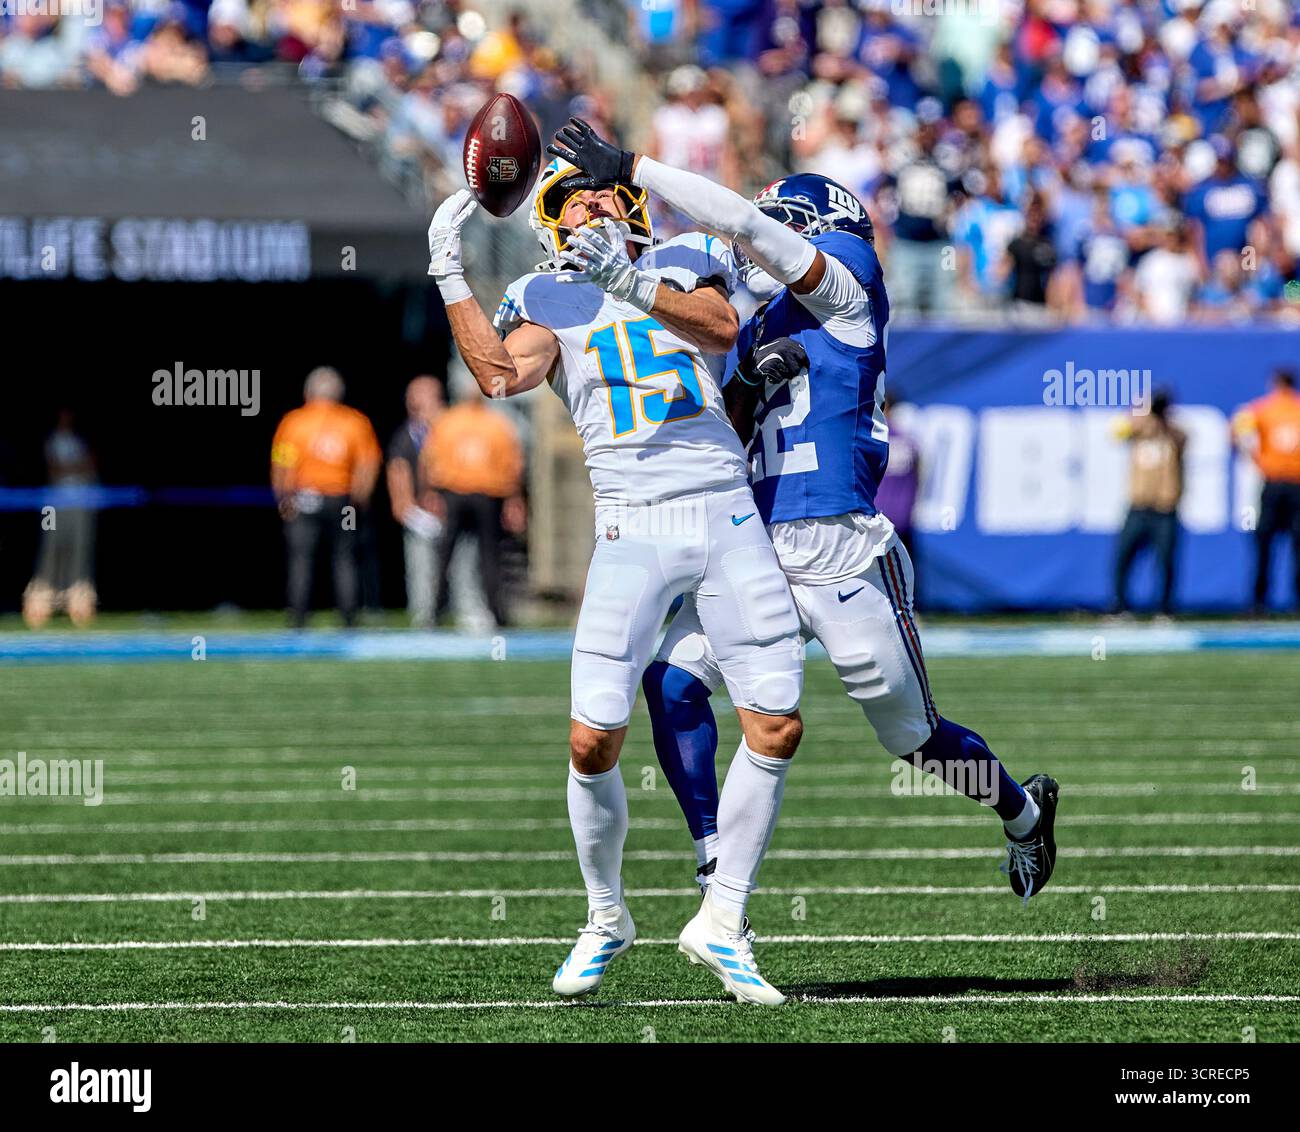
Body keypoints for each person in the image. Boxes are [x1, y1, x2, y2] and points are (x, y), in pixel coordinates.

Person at [549, 121, 1059, 936]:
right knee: (671, 681)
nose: (757, 240)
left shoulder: (849, 284)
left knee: (915, 740)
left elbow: (747, 230)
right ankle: (715, 859)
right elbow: (734, 421)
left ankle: (1025, 812)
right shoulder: (754, 322)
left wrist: (636, 169)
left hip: (840, 545)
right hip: (751, 542)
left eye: (782, 223)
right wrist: (744, 375)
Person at [427, 151, 805, 1005]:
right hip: (631, 522)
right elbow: (497, 376)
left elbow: (720, 331)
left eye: (608, 194)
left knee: (776, 724)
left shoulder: (679, 260)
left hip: (724, 508)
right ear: (553, 219)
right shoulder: (542, 295)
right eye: (580, 199)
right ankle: (606, 918)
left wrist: (627, 283)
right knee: (592, 739)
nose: (598, 207)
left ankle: (725, 919)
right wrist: (449, 274)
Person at [270, 367, 381, 628]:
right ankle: (348, 617)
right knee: (346, 557)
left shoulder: (294, 422)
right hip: (343, 503)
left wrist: (283, 498)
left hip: (303, 500)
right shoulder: (355, 421)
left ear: (308, 392)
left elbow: (281, 464)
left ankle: (297, 618)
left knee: (301, 559)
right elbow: (369, 463)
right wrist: (359, 499)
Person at [422, 388, 526, 629]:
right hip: (486, 495)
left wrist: (431, 492)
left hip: (454, 493)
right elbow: (513, 466)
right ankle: (497, 614)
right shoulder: (497, 424)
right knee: (490, 556)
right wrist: (514, 498)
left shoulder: (447, 422)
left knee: (445, 556)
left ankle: (435, 612)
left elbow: (430, 460)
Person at [1112, 390, 1186, 619]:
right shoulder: (1139, 430)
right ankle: (1121, 607)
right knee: (1124, 557)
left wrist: (1162, 419)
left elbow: (1181, 438)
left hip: (1164, 509)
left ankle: (1164, 609)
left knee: (1165, 561)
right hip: (1138, 506)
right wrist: (1143, 411)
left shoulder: (1175, 433)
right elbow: (1118, 431)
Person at [22, 409, 98, 629]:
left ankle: (78, 603)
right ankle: (40, 603)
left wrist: (74, 467)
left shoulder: (79, 441)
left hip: (80, 502)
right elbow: (55, 469)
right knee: (51, 550)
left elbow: (89, 466)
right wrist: (76, 467)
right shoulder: (52, 441)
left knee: (79, 550)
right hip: (53, 506)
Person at [1233, 368, 1300, 614]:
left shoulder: (1261, 408)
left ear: (1275, 383)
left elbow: (1239, 434)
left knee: (1264, 544)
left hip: (1273, 484)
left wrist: (1260, 460)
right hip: (1296, 484)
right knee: (1297, 546)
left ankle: (1258, 602)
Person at [386, 376, 445, 628]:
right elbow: (397, 474)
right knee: (421, 566)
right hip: (420, 514)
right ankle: (424, 615)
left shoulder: (450, 428)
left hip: (452, 509)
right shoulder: (405, 436)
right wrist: (411, 511)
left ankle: (470, 613)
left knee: (463, 566)